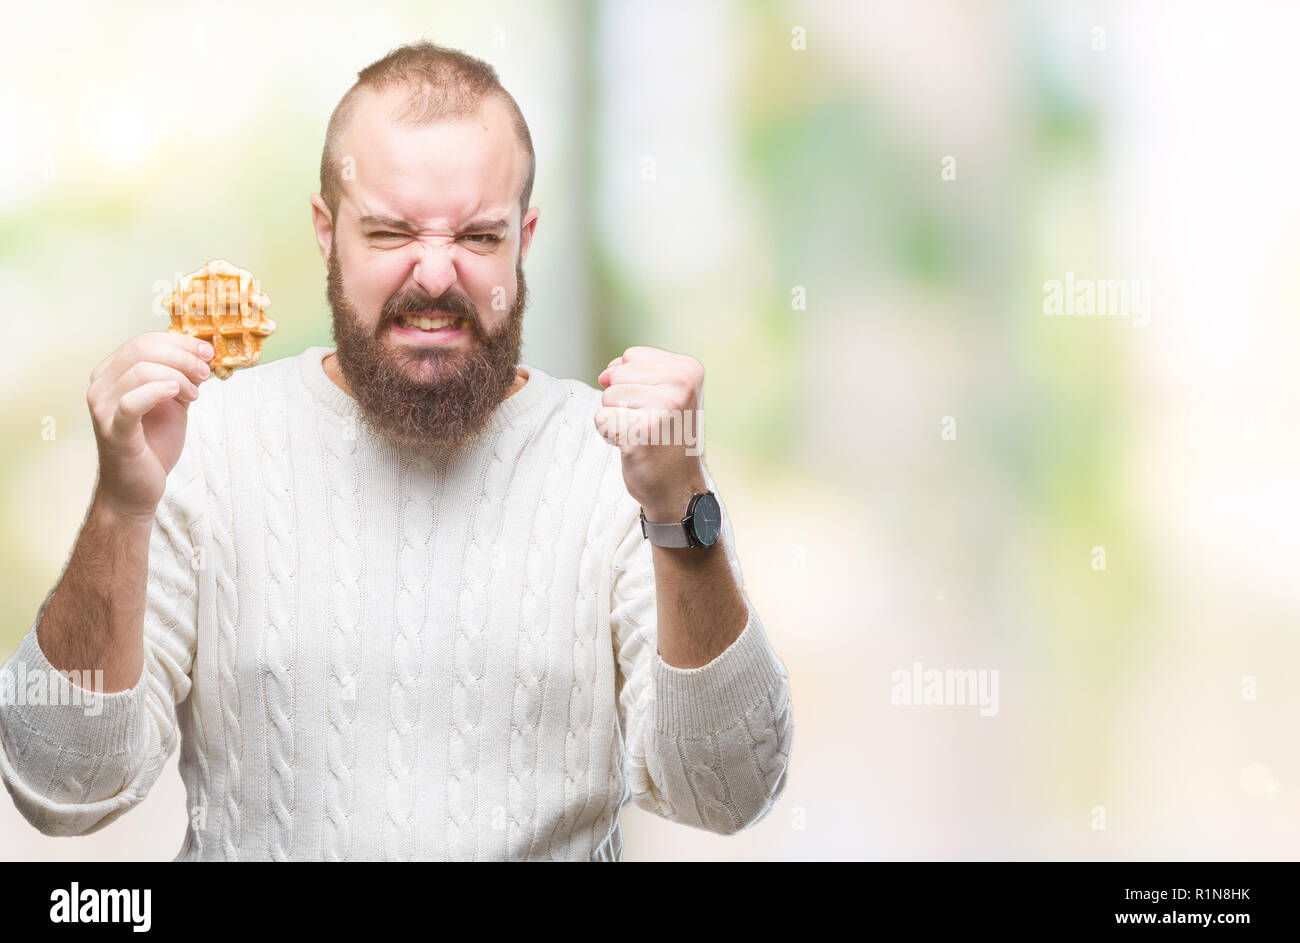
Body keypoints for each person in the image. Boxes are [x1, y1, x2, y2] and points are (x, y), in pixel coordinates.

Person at [0, 41, 792, 861]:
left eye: (479, 238)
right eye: (391, 232)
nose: (437, 275)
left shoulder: (620, 467)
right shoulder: (202, 442)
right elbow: (63, 786)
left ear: (524, 239)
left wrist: (677, 514)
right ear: (326, 230)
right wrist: (121, 508)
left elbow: (729, 793)